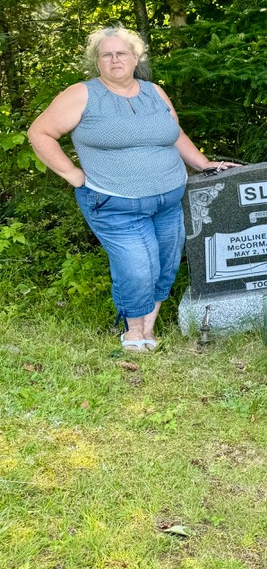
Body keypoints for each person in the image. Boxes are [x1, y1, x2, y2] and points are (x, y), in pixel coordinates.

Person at [27, 26, 237, 353]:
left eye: (121, 53)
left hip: (168, 200)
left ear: (136, 57)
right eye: (106, 54)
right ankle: (132, 333)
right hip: (114, 203)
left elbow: (174, 132)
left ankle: (147, 329)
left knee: (165, 264)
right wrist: (72, 174)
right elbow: (39, 132)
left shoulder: (154, 92)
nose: (114, 60)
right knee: (138, 267)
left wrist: (202, 163)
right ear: (97, 61)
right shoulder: (82, 95)